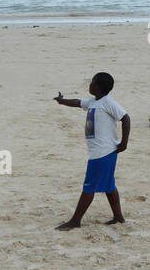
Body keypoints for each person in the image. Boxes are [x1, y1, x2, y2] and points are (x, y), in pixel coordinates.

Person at [53, 72, 130, 230]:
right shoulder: (94, 102)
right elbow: (77, 102)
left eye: (92, 82)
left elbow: (126, 118)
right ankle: (118, 217)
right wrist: (62, 101)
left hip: (103, 153)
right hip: (101, 152)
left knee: (89, 186)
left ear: (98, 87)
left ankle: (75, 220)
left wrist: (124, 142)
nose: (89, 84)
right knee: (109, 186)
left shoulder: (108, 102)